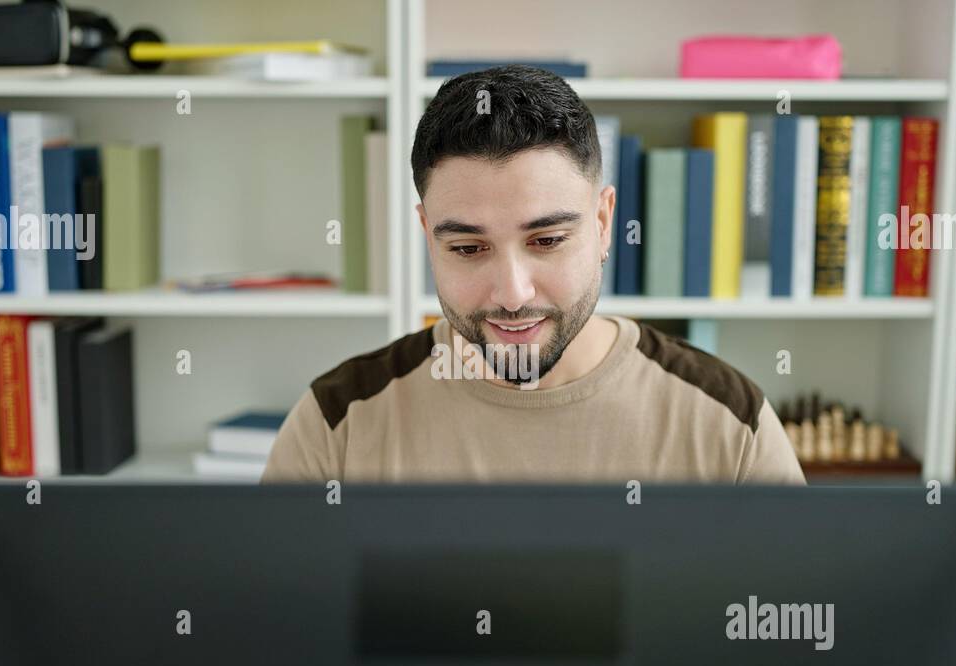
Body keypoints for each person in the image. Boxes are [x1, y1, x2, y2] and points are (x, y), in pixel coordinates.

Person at [262, 65, 805, 485]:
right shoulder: (337, 422)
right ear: (427, 234)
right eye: (469, 248)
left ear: (603, 222)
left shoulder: (730, 423)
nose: (513, 294)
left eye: (546, 241)